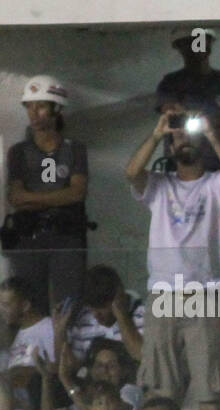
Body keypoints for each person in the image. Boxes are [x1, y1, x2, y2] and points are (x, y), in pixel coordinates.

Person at [126, 107, 220, 410]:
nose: (183, 140)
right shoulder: (159, 185)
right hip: (164, 293)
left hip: (205, 294)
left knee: (210, 386)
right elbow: (132, 173)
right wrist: (157, 133)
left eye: (187, 134)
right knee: (160, 389)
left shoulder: (214, 184)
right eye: (176, 136)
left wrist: (209, 133)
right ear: (169, 146)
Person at [5, 74, 88, 314]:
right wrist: (59, 196)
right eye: (29, 106)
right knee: (31, 307)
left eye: (40, 106)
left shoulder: (74, 149)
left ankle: (67, 350)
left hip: (67, 237)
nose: (33, 113)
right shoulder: (19, 152)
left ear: (56, 108)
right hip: (28, 238)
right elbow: (16, 198)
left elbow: (77, 193)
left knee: (70, 305)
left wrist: (33, 199)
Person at [155, 26, 220, 173]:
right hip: (180, 174)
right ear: (180, 49)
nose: (194, 48)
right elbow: (175, 120)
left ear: (208, 45)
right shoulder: (170, 83)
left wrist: (201, 126)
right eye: (187, 43)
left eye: (199, 42)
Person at [65, 266, 144, 365]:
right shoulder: (85, 318)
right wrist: (60, 332)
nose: (95, 315)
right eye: (91, 308)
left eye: (101, 307)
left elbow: (141, 355)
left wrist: (121, 316)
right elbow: (73, 367)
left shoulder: (142, 315)